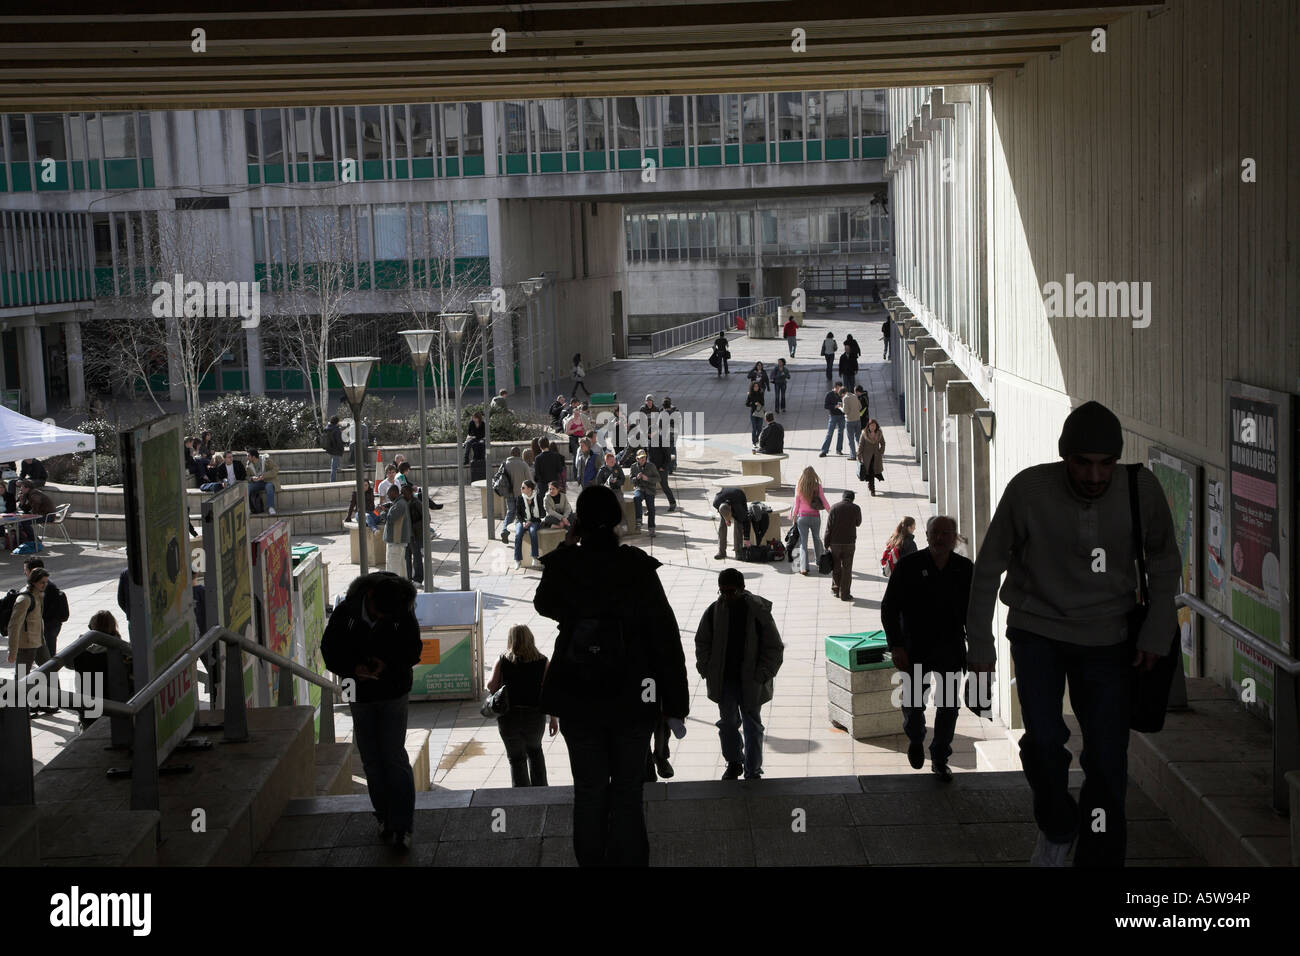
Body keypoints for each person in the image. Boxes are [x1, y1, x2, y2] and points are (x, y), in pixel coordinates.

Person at [967, 400, 1180, 867]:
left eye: (1106, 464)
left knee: (1107, 760)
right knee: (1042, 743)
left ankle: (1100, 859)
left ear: (1118, 460)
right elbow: (988, 568)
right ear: (1065, 456)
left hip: (1109, 639)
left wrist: (1157, 632)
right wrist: (980, 644)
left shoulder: (1140, 488)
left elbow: (1165, 563)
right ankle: (1060, 826)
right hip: (1037, 632)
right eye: (1082, 463)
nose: (1094, 476)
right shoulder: (1028, 490)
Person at [534, 486, 689, 866]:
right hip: (632, 698)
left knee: (588, 791)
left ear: (580, 521)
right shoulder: (636, 567)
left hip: (579, 698)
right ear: (619, 519)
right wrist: (675, 705)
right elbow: (664, 638)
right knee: (627, 792)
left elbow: (544, 603)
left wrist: (569, 545)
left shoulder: (567, 566)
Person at [320, 572, 423, 849]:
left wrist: (386, 663)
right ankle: (384, 818)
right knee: (371, 760)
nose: (380, 619)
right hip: (359, 692)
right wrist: (354, 668)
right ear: (369, 598)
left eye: (386, 616)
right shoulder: (346, 612)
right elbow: (329, 651)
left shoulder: (401, 611)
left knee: (393, 755)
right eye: (378, 614)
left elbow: (414, 651)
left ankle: (402, 826)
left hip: (393, 691)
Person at [881, 515, 972, 783]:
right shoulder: (909, 566)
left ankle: (941, 758)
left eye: (946, 533)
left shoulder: (965, 568)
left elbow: (975, 612)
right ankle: (916, 737)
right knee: (912, 703)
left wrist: (978, 647)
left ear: (955, 537)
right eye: (935, 533)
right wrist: (896, 645)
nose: (940, 538)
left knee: (948, 707)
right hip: (915, 648)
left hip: (950, 649)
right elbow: (889, 608)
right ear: (928, 535)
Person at [694, 568, 784, 780]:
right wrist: (706, 668)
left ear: (742, 589)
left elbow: (774, 647)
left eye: (731, 591)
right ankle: (734, 762)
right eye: (722, 591)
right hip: (725, 681)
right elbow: (702, 642)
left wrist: (763, 674)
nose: (726, 596)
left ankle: (752, 770)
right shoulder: (714, 612)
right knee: (727, 724)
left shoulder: (757, 612)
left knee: (752, 726)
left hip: (751, 681)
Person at [486, 625, 557, 786]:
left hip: (509, 717)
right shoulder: (542, 661)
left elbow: (491, 686)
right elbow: (550, 692)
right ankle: (541, 792)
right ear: (530, 638)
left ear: (511, 639)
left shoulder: (503, 660)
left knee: (516, 758)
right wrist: (553, 719)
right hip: (534, 716)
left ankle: (521, 797)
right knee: (535, 751)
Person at [22, 557, 69, 658]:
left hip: (48, 627)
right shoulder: (42, 586)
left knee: (48, 657)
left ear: (33, 572)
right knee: (45, 658)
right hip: (46, 627)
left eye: (26, 570)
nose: (24, 573)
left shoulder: (43, 588)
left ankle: (50, 672)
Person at [6, 567, 49, 669]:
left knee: (51, 673)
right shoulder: (24, 599)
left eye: (46, 582)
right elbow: (14, 626)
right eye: (42, 582)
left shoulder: (39, 595)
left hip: (39, 642)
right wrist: (12, 651)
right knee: (21, 678)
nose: (45, 585)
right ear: (34, 582)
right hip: (26, 646)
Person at [792, 466, 831, 576]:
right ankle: (819, 562)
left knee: (803, 543)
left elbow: (796, 504)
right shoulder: (817, 487)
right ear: (814, 475)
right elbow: (824, 501)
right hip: (815, 517)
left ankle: (804, 568)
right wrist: (831, 512)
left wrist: (794, 517)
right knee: (816, 539)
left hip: (802, 518)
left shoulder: (799, 486)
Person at [824, 490, 862, 601]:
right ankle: (845, 594)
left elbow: (828, 527)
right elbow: (858, 523)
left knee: (836, 567)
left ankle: (836, 589)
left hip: (835, 543)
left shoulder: (834, 508)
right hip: (849, 543)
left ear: (842, 497)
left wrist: (826, 543)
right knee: (847, 569)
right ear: (853, 498)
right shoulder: (856, 508)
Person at [499, 446, 533, 543]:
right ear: (519, 454)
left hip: (509, 493)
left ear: (511, 454)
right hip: (521, 494)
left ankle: (505, 530)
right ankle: (520, 535)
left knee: (510, 512)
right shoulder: (523, 464)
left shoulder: (505, 464)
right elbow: (529, 480)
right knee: (521, 514)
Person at [14, 480, 58, 545]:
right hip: (42, 514)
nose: (20, 489)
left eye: (22, 487)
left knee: (24, 522)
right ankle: (28, 539)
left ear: (27, 488)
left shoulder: (34, 494)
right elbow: (27, 509)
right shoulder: (29, 494)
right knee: (21, 520)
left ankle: (34, 540)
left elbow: (35, 509)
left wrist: (28, 515)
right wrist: (21, 502)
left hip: (48, 516)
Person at [712, 485, 749, 561]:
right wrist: (726, 519)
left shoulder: (738, 507)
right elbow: (722, 511)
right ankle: (721, 552)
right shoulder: (716, 502)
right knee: (722, 526)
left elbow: (746, 520)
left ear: (731, 509)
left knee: (739, 525)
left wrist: (746, 538)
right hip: (724, 502)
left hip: (739, 496)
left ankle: (738, 552)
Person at [513, 479, 543, 568]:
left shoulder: (538, 497)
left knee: (533, 532)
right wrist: (523, 522)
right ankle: (517, 560)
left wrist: (530, 521)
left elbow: (542, 513)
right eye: (521, 487)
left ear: (530, 489)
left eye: (523, 487)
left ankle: (534, 557)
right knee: (518, 534)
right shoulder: (520, 498)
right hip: (521, 521)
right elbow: (518, 513)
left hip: (534, 521)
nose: (521, 489)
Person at [629, 448, 659, 536]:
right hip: (639, 488)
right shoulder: (633, 467)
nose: (642, 459)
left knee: (651, 509)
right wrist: (636, 478)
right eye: (641, 458)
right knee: (636, 498)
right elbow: (631, 481)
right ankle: (639, 521)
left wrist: (648, 479)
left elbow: (658, 478)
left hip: (650, 489)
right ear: (637, 459)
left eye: (644, 457)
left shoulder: (651, 466)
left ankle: (651, 528)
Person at [382, 485, 409, 575]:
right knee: (400, 567)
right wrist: (387, 510)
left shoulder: (400, 504)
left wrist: (382, 513)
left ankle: (394, 587)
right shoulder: (400, 503)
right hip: (397, 542)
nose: (388, 496)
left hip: (395, 541)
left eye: (389, 494)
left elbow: (390, 519)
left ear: (394, 493)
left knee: (393, 568)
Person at [246, 449, 279, 516]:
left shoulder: (266, 460)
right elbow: (247, 477)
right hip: (258, 483)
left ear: (253, 457)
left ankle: (271, 507)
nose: (247, 457)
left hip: (268, 480)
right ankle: (248, 508)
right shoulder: (248, 465)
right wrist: (252, 478)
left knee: (269, 486)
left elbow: (275, 469)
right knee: (249, 487)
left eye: (248, 456)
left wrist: (264, 475)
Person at [401, 484, 423, 584]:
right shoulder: (403, 503)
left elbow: (427, 518)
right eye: (402, 492)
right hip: (406, 535)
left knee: (417, 557)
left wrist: (413, 526)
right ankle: (409, 578)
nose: (403, 494)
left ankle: (418, 578)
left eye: (405, 492)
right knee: (407, 557)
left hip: (416, 535)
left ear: (410, 492)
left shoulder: (416, 503)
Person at [858, 419, 886, 495]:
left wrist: (881, 451)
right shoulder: (864, 433)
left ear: (876, 426)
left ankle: (871, 486)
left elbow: (883, 443)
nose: (873, 427)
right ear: (868, 426)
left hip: (876, 456)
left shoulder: (879, 433)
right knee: (871, 472)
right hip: (867, 457)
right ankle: (872, 489)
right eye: (871, 426)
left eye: (874, 426)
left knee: (874, 472)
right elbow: (861, 445)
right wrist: (859, 455)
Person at [818, 384, 846, 457]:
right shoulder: (829, 395)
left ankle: (839, 450)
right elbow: (826, 406)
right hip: (833, 416)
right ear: (835, 388)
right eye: (839, 389)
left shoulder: (842, 394)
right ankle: (824, 450)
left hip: (842, 416)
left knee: (841, 433)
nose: (840, 391)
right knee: (829, 433)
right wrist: (834, 406)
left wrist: (843, 405)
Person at [322, 416, 346, 482]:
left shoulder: (327, 428)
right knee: (333, 467)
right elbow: (339, 441)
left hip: (329, 448)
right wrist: (342, 448)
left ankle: (338, 467)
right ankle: (332, 481)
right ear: (337, 422)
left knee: (335, 462)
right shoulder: (336, 430)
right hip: (335, 449)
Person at [842, 387, 862, 459]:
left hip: (850, 421)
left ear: (843, 393)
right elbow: (860, 407)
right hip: (857, 420)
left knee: (851, 439)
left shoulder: (845, 398)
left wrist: (841, 407)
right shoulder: (854, 396)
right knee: (858, 438)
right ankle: (861, 454)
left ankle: (853, 455)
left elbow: (845, 411)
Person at [745, 381, 766, 447]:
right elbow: (747, 404)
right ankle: (754, 441)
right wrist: (753, 403)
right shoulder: (750, 394)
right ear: (752, 387)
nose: (756, 388)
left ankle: (756, 438)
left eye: (757, 386)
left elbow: (763, 403)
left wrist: (759, 403)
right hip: (753, 413)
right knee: (754, 428)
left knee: (759, 428)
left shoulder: (761, 393)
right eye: (755, 386)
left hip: (759, 412)